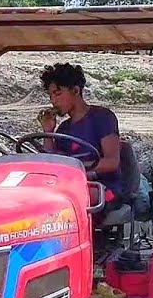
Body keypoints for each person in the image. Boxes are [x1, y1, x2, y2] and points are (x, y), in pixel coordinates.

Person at [37, 63, 123, 204]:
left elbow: (112, 162)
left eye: (58, 94)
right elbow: (50, 162)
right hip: (72, 183)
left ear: (76, 91)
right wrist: (48, 132)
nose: (53, 101)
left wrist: (76, 168)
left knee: (66, 198)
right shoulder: (63, 129)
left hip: (104, 188)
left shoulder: (102, 118)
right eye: (50, 96)